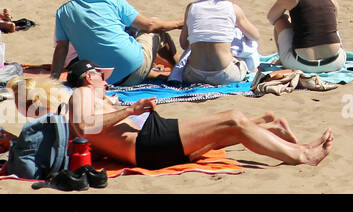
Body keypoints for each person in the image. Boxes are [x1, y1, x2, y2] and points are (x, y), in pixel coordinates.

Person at [54, 61, 332, 168]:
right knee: (232, 118)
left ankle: (288, 139)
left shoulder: (93, 97)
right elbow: (86, 127)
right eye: (100, 77)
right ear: (89, 77)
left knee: (230, 127)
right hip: (147, 144)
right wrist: (131, 109)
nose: (105, 81)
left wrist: (120, 107)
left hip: (151, 137)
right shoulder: (81, 94)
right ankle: (303, 156)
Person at [51, 0, 183, 86]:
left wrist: (54, 80)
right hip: (135, 69)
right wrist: (178, 23)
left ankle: (161, 73)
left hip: (104, 79)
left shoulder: (63, 11)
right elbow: (149, 25)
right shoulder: (113, 1)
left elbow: (61, 48)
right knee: (157, 29)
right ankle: (180, 71)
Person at [266, 0, 346, 73]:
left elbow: (271, 18)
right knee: (329, 25)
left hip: (302, 64)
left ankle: (282, 59)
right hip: (335, 62)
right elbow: (334, 19)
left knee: (281, 20)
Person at [179, 0, 260, 85]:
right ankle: (254, 70)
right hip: (225, 74)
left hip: (194, 74)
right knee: (245, 41)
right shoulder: (232, 8)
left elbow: (183, 44)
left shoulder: (191, 8)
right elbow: (255, 36)